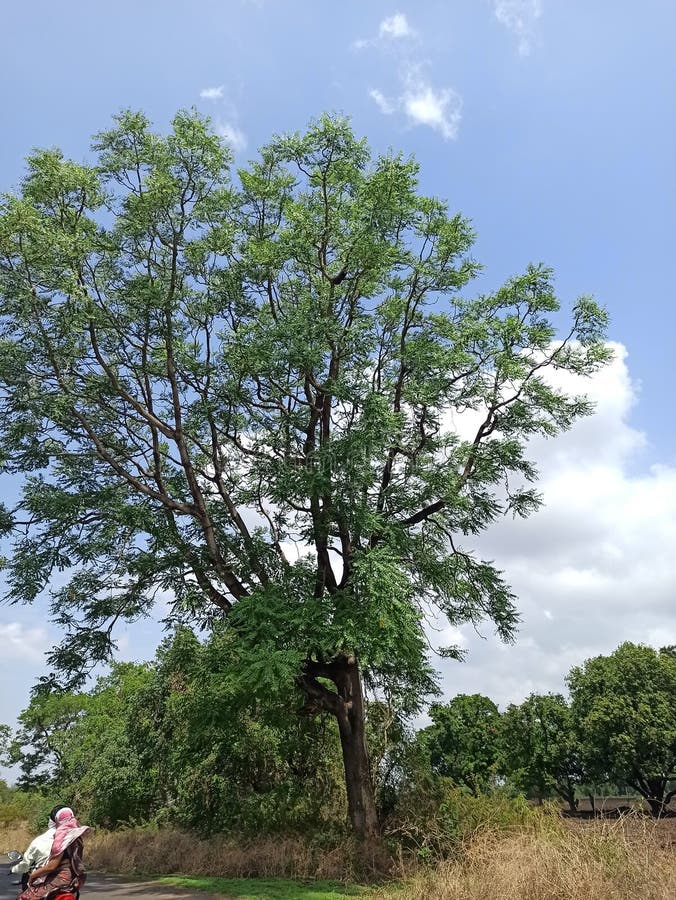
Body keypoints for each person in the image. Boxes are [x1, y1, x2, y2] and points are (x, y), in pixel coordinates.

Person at [19, 807, 91, 900]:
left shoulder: (62, 838)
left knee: (25, 897)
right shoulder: (76, 836)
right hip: (74, 879)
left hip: (60, 880)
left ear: (57, 821)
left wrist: (33, 875)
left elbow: (51, 866)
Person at [11, 805, 68, 890]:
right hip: (70, 883)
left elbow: (50, 866)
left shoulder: (40, 841)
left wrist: (30, 874)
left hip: (44, 884)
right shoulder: (76, 837)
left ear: (53, 819)